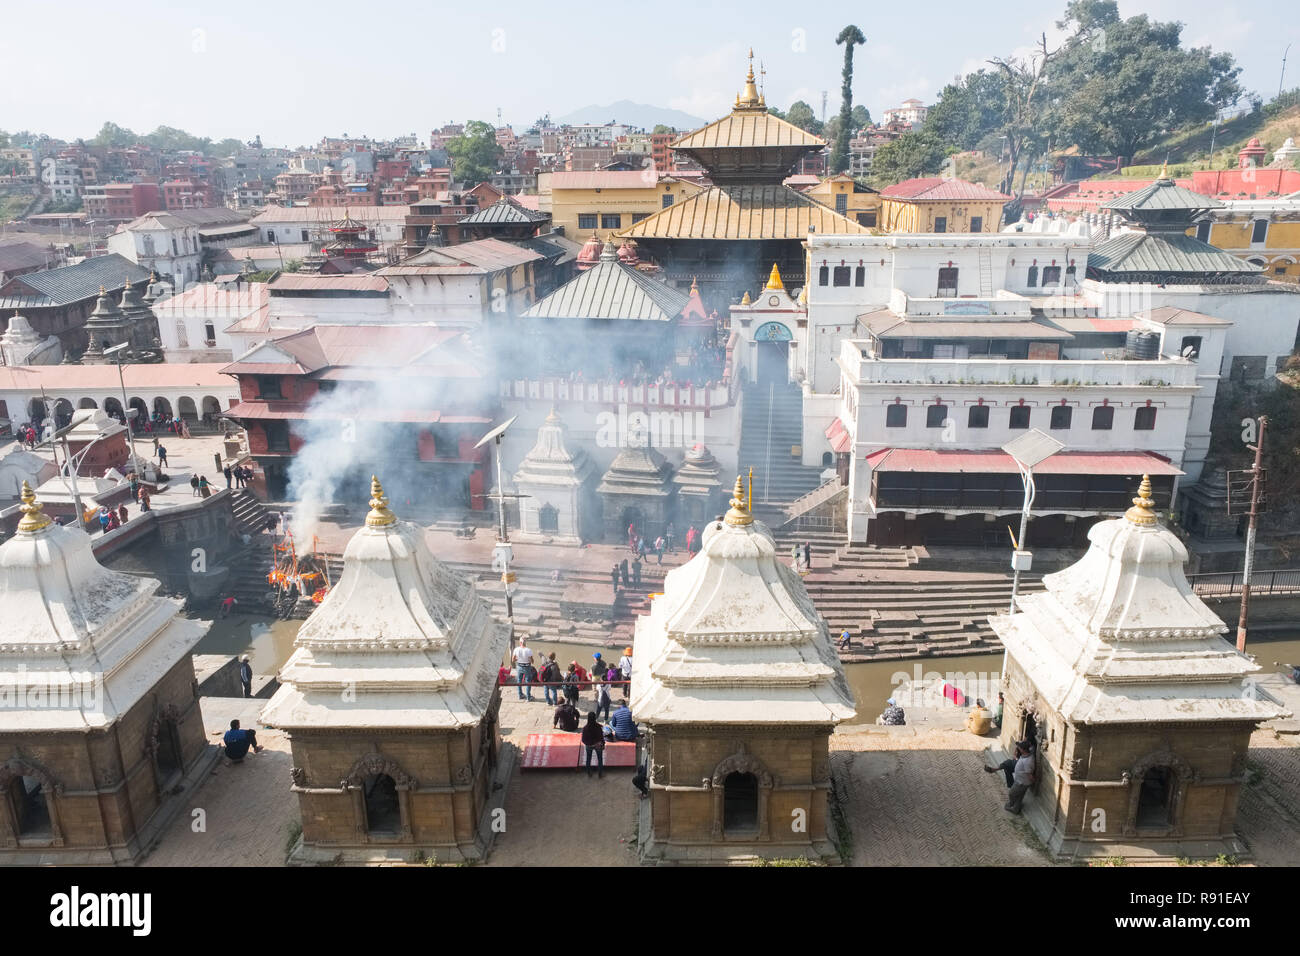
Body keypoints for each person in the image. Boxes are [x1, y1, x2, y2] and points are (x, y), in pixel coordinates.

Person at [1005, 744, 1036, 814]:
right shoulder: (1028, 752)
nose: (1018, 749)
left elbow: (1029, 774)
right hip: (1021, 781)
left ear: (1023, 750)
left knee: (1011, 793)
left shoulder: (1028, 761)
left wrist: (1033, 781)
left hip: (1021, 782)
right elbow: (1031, 746)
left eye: (1020, 748)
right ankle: (1016, 809)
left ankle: (1011, 804)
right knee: (1020, 795)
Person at [581, 712, 605, 778]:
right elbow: (601, 737)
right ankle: (600, 774)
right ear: (595, 718)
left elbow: (583, 740)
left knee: (588, 759)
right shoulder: (598, 727)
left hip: (589, 746)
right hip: (598, 745)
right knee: (600, 759)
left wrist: (590, 744)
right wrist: (602, 744)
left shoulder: (585, 728)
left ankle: (589, 773)